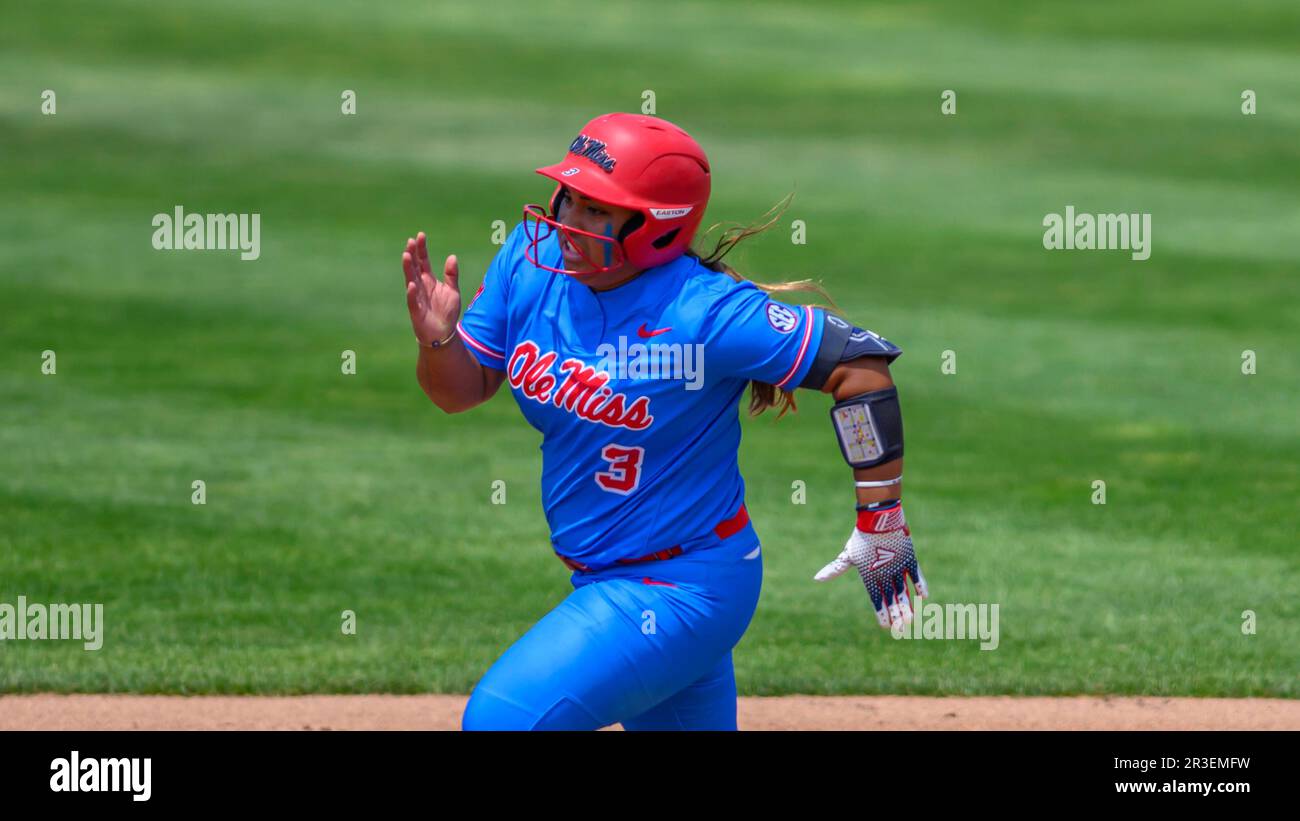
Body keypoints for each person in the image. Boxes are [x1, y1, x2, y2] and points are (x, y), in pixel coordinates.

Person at [401, 112, 928, 731]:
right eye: (569, 195)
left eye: (597, 209)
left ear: (656, 225)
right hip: (614, 581)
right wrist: (438, 342)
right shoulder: (532, 258)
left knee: (502, 721)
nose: (569, 220)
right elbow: (460, 391)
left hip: (683, 589)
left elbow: (860, 366)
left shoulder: (703, 312)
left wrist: (882, 520)